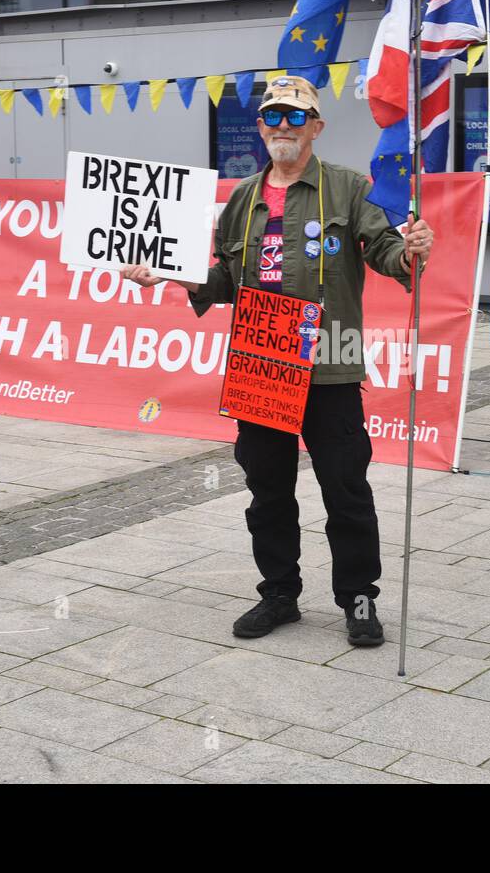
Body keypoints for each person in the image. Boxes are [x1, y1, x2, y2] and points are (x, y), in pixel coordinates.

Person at [123, 75, 433, 646]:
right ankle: (279, 594)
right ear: (260, 126)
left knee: (346, 490)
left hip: (328, 363)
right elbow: (221, 277)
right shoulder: (241, 198)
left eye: (296, 116)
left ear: (316, 125)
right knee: (268, 491)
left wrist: (410, 251)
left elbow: (387, 252)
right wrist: (165, 270)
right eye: (273, 116)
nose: (283, 126)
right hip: (261, 361)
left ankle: (359, 599)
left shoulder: (349, 188)